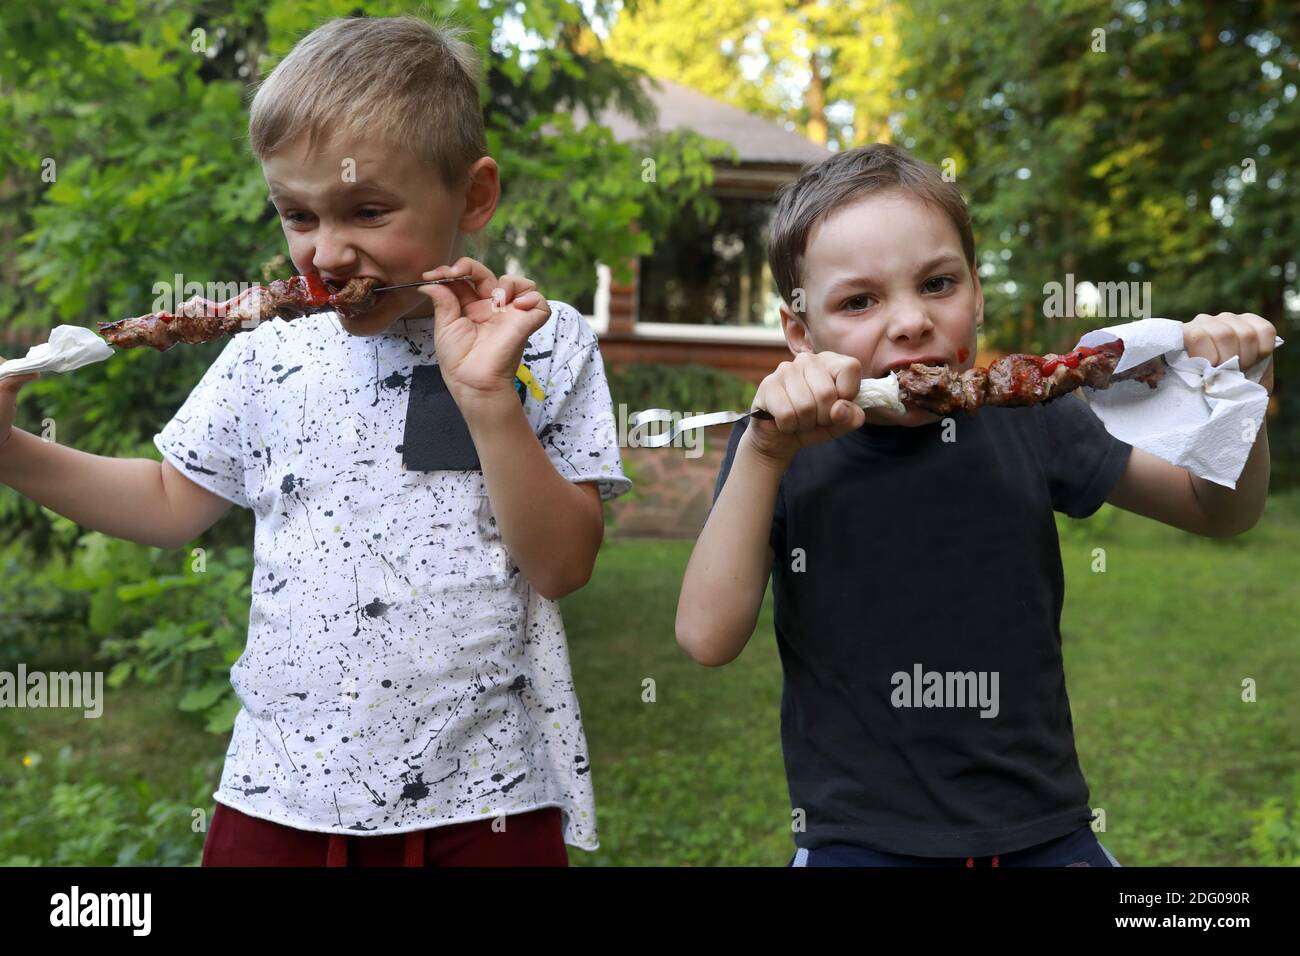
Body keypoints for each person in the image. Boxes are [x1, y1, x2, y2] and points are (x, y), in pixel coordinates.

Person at [0, 14, 631, 866]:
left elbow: (563, 565)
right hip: (280, 797)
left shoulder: (548, 345)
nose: (326, 253)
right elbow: (166, 502)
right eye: (297, 215)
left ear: (474, 196)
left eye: (367, 210)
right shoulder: (269, 353)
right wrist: (10, 451)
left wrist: (487, 400)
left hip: (483, 801)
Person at [675, 143, 1276, 867]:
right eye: (859, 300)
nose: (909, 322)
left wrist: (1236, 404)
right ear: (802, 334)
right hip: (858, 842)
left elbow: (1219, 512)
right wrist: (764, 454)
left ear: (978, 296)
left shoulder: (1032, 419)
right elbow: (708, 639)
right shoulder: (775, 453)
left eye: (937, 283)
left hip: (1045, 830)